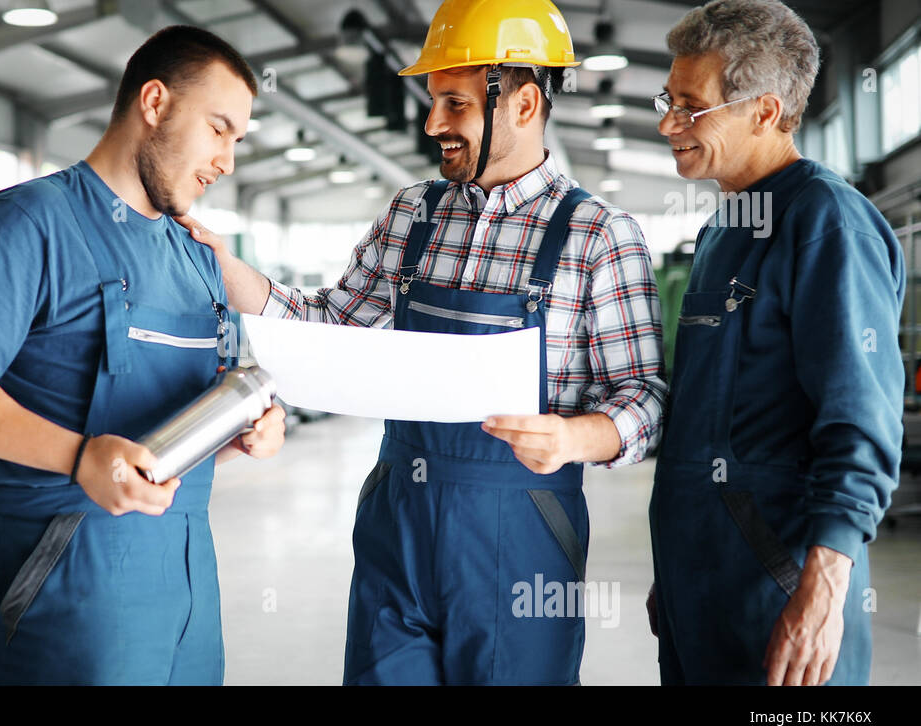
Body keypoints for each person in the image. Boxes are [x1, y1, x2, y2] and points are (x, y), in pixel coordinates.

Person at [181, 0, 666, 685]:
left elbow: (645, 397)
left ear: (524, 104)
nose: (434, 124)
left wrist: (573, 439)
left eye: (455, 103)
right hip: (398, 522)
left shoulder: (598, 235)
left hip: (521, 531)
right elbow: (334, 322)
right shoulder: (411, 215)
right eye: (433, 101)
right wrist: (232, 275)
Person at [0, 25, 286, 686]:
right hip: (65, 598)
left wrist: (234, 434)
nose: (228, 160)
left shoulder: (197, 260)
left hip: (187, 597)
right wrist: (80, 457)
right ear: (154, 103)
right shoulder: (24, 225)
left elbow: (157, 445)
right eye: (219, 129)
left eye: (237, 139)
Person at [646, 0, 904, 685]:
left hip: (781, 591)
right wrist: (673, 569)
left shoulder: (825, 224)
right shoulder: (719, 232)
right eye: (667, 100)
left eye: (690, 106)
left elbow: (860, 421)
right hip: (699, 593)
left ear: (763, 111)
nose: (668, 123)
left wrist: (824, 589)